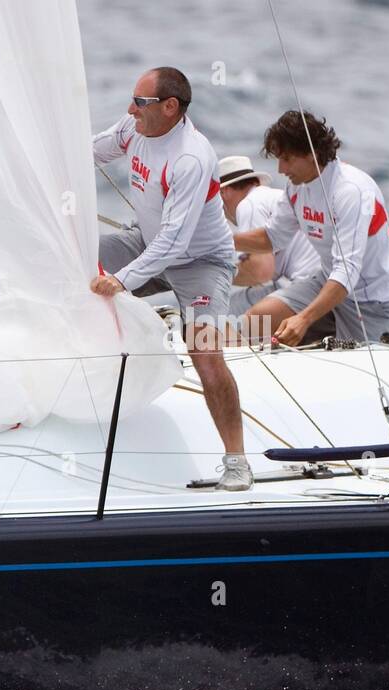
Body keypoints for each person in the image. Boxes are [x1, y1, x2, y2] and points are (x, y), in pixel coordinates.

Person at [92, 67, 251, 491]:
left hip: (202, 261)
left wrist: (122, 280)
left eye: (140, 103)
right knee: (74, 262)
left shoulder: (191, 157)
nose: (130, 109)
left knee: (204, 351)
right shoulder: (135, 127)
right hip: (145, 242)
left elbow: (176, 242)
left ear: (170, 107)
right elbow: (90, 152)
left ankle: (237, 461)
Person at [232, 111, 389, 347]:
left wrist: (303, 319)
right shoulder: (296, 188)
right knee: (255, 323)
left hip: (373, 302)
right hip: (326, 282)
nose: (281, 169)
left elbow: (347, 271)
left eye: (287, 159)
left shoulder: (351, 190)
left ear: (311, 154)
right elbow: (272, 237)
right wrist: (224, 241)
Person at [218, 155, 321, 310]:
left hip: (305, 287)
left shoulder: (249, 205)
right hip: (324, 282)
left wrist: (214, 276)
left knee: (224, 309)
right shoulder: (274, 197)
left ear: (224, 192)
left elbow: (260, 271)